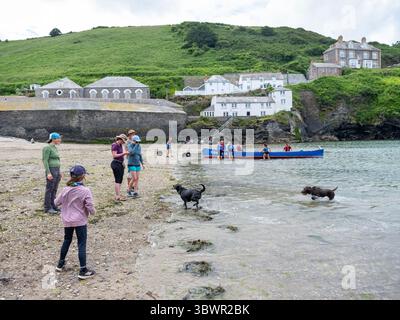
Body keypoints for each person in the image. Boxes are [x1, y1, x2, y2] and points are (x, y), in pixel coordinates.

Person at [55, 165, 96, 280]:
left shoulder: (65, 189)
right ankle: (83, 270)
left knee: (67, 240)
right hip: (80, 221)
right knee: (81, 243)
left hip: (67, 220)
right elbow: (90, 205)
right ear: (83, 176)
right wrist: (93, 212)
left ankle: (60, 264)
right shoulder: (85, 190)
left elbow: (56, 202)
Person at [42, 132, 62, 214]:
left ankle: (53, 205)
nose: (60, 140)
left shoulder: (55, 147)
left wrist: (59, 171)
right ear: (54, 139)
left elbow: (57, 160)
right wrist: (48, 173)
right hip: (51, 170)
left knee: (54, 188)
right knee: (49, 189)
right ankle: (47, 207)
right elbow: (45, 160)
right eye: (59, 138)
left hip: (56, 170)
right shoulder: (47, 148)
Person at [111, 134, 129, 201]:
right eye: (123, 141)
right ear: (120, 139)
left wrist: (123, 162)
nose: (123, 143)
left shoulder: (120, 145)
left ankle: (118, 194)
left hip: (120, 163)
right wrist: (124, 154)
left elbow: (120, 156)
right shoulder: (114, 145)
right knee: (117, 180)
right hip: (116, 163)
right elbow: (114, 155)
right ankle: (117, 196)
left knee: (120, 180)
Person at [126, 129, 136, 194]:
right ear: (129, 135)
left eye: (134, 134)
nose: (133, 135)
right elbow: (128, 151)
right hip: (129, 158)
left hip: (133, 158)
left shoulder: (133, 141)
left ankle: (131, 186)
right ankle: (129, 186)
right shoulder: (128, 142)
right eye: (132, 134)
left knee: (132, 173)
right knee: (130, 173)